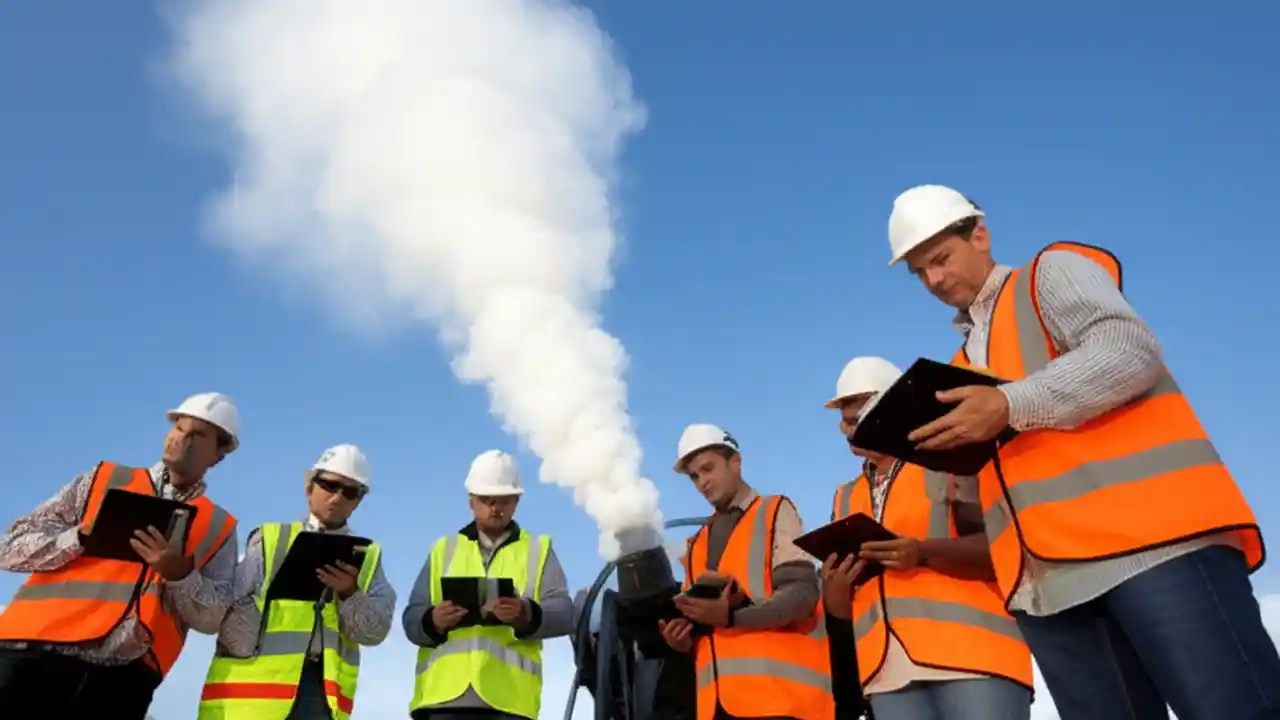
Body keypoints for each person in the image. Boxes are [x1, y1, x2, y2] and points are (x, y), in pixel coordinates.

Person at [884, 183, 1280, 720]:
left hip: (1151, 546)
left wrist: (1008, 403)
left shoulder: (1048, 273)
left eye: (940, 259)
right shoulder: (960, 365)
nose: (934, 280)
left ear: (980, 235)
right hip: (1048, 586)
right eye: (919, 272)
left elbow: (1128, 349)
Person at [0, 391, 242, 719]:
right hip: (32, 655)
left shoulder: (218, 527)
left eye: (197, 435)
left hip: (123, 681)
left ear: (218, 455)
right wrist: (80, 536)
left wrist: (180, 575)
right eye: (178, 428)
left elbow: (212, 618)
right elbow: (9, 547)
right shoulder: (103, 481)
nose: (180, 439)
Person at [821, 356, 1033, 720]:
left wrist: (921, 553)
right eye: (847, 416)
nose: (852, 424)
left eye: (862, 410)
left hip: (972, 655)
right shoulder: (844, 498)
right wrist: (835, 593)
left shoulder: (952, 462)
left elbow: (1004, 548)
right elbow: (843, 607)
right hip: (887, 671)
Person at [197, 443, 396, 719]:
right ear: (309, 487)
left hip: (319, 694)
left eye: (350, 492)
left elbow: (374, 633)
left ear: (359, 501)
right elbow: (226, 606)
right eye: (329, 485)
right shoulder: (270, 539)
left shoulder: (368, 556)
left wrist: (350, 593)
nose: (337, 498)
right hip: (251, 693)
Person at [659, 423, 833, 720]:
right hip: (716, 705)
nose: (702, 482)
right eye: (694, 477)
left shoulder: (774, 510)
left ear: (735, 463)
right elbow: (705, 621)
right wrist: (684, 639)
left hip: (780, 699)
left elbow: (802, 595)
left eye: (708, 469)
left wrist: (730, 616)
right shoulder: (696, 544)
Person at [403, 449, 575, 720]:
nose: (496, 508)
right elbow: (412, 619)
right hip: (442, 701)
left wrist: (526, 614)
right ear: (471, 501)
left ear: (517, 500)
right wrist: (433, 620)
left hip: (509, 703)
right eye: (487, 499)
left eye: (504, 500)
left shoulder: (538, 549)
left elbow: (565, 614)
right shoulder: (443, 549)